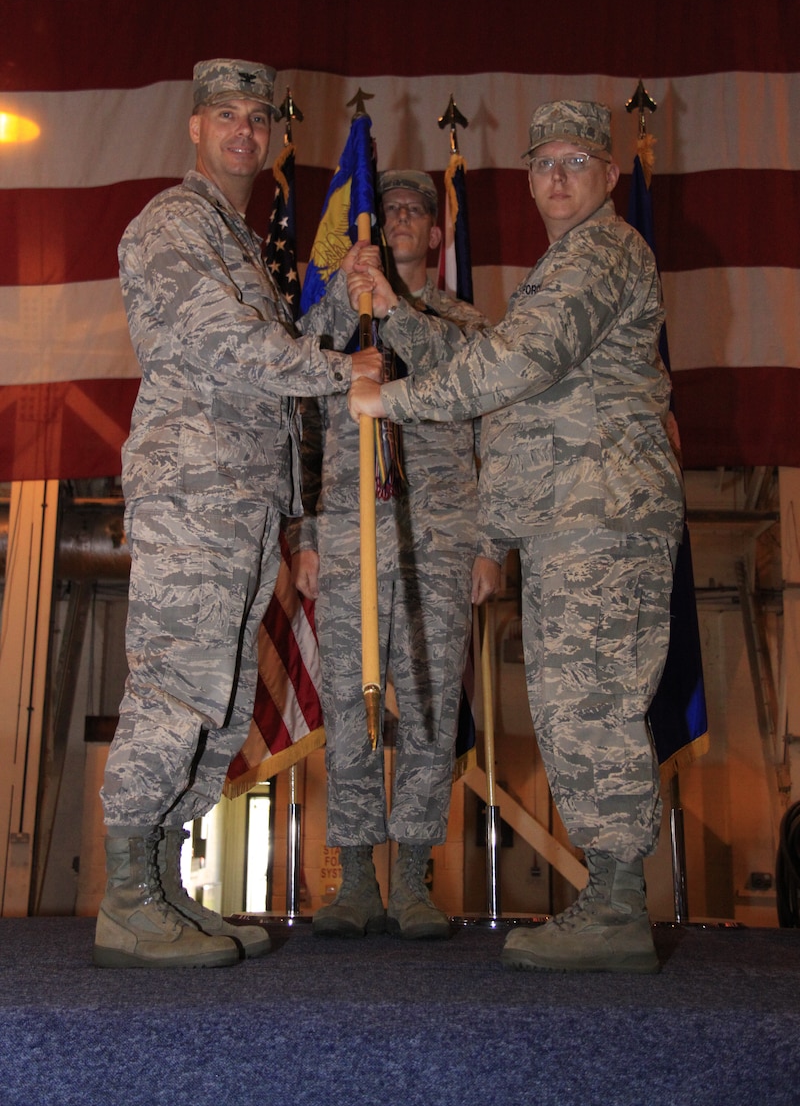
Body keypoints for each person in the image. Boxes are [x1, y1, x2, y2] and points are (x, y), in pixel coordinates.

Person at [347, 102, 685, 973]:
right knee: (576, 701)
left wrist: (392, 399)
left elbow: (513, 366)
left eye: (577, 161)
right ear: (529, 178)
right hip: (574, 515)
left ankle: (617, 906)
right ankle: (611, 898)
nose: (558, 177)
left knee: (592, 702)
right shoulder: (563, 265)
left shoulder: (602, 252)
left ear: (609, 175)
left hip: (601, 516)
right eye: (544, 163)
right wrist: (399, 316)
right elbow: (504, 382)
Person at [94, 59, 382, 969]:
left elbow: (275, 350)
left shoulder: (240, 242)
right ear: (195, 127)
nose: (244, 131)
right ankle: (124, 900)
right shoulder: (173, 223)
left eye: (258, 118)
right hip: (194, 492)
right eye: (226, 114)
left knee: (216, 704)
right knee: (176, 686)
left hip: (246, 503)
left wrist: (339, 305)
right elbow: (228, 343)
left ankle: (161, 884)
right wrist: (340, 370)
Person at [291, 170, 502, 940]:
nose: (404, 218)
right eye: (391, 210)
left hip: (437, 543)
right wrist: (307, 537)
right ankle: (354, 879)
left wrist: (490, 546)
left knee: (430, 706)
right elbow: (306, 436)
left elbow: (490, 424)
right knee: (348, 706)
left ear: (437, 234)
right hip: (349, 543)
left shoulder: (464, 323)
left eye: (416, 210)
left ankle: (413, 877)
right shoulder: (337, 328)